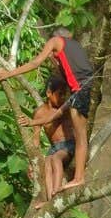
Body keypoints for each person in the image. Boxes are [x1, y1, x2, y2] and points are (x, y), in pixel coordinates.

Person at [0, 27, 94, 188]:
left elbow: (36, 63)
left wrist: (8, 74)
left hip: (79, 90)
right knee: (81, 137)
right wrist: (54, 60)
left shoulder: (55, 41)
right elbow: (66, 73)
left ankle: (78, 178)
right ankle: (74, 180)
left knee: (80, 137)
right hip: (87, 87)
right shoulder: (74, 47)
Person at [19, 76, 76, 204]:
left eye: (64, 94)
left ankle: (57, 193)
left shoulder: (65, 108)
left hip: (68, 144)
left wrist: (31, 122)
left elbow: (51, 118)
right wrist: (32, 162)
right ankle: (50, 200)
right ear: (48, 93)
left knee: (55, 159)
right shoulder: (39, 112)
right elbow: (36, 140)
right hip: (54, 148)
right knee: (48, 162)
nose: (62, 98)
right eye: (59, 94)